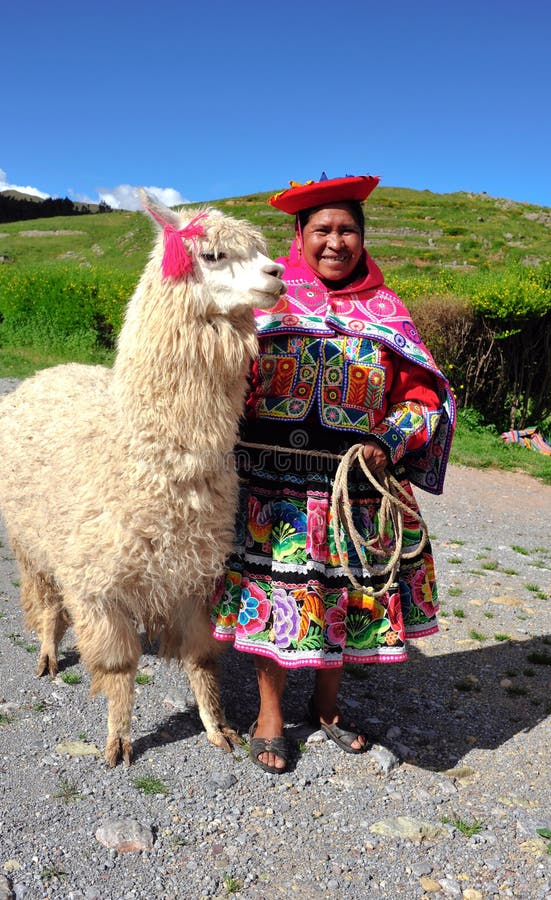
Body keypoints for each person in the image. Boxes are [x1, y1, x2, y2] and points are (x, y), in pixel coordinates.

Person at [211, 173, 455, 773]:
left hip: (355, 488)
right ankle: (269, 714)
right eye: (322, 229)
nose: (336, 241)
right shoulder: (266, 298)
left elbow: (426, 398)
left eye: (348, 229)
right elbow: (220, 373)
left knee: (341, 596)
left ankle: (327, 707)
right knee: (277, 593)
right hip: (272, 487)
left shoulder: (387, 309)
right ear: (300, 234)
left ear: (363, 237)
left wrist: (386, 438)